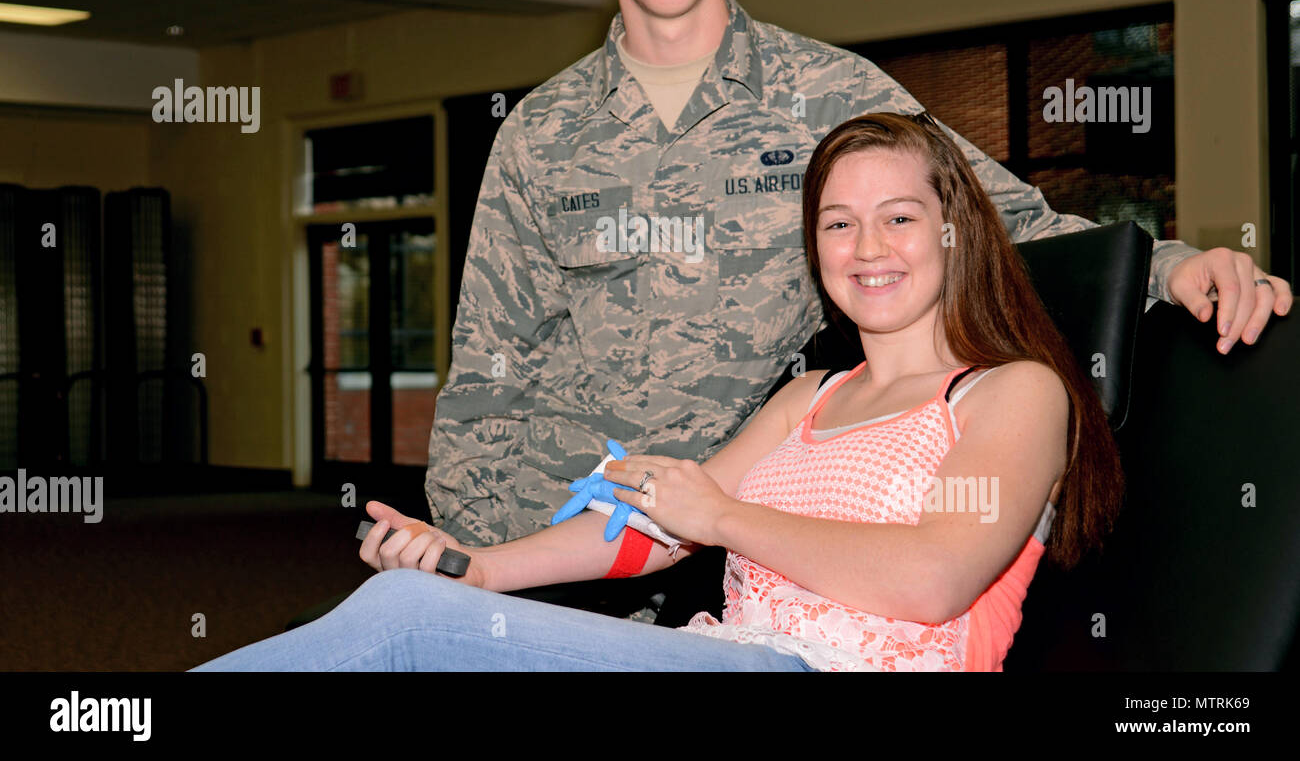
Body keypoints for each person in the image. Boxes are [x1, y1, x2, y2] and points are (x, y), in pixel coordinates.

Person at [423, 0, 1291, 552]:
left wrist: (1170, 266)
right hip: (554, 527)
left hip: (732, 528)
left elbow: (998, 223)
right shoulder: (540, 131)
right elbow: (490, 363)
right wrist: (474, 554)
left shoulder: (830, 96)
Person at [192, 112, 1117, 671]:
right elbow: (660, 526)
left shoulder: (1013, 394)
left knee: (403, 629)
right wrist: (474, 565)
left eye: (898, 218)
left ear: (954, 230)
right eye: (839, 223)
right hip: (735, 654)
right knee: (423, 615)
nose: (867, 247)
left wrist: (723, 516)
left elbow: (932, 577)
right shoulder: (811, 399)